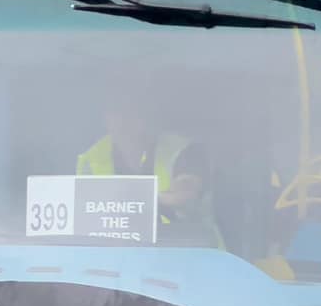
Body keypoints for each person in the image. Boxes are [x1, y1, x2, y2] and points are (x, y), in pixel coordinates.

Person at [77, 94, 221, 246]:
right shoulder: (91, 158)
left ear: (146, 116)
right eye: (116, 111)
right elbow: (83, 216)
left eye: (131, 111)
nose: (123, 120)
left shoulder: (184, 151)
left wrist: (136, 202)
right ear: (105, 118)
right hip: (116, 257)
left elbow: (185, 193)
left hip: (194, 256)